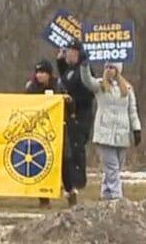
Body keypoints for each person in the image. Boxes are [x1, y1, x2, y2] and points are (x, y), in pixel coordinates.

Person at [79, 61, 141, 201]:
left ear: (118, 70)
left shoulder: (127, 89)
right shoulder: (100, 86)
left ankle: (106, 194)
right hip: (104, 134)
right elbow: (87, 81)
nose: (109, 70)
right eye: (107, 67)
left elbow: (132, 111)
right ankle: (116, 197)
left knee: (116, 168)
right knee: (112, 167)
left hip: (122, 134)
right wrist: (84, 66)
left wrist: (136, 129)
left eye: (112, 67)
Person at [24, 58, 75, 208]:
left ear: (49, 74)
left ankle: (70, 192)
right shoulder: (31, 88)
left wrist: (68, 101)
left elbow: (71, 109)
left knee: (64, 162)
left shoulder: (59, 85)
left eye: (43, 72)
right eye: (37, 72)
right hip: (39, 131)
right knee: (41, 162)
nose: (39, 75)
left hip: (58, 128)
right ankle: (43, 198)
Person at [56, 40, 96, 206]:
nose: (68, 54)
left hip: (80, 116)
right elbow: (67, 80)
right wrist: (60, 62)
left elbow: (87, 92)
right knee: (66, 152)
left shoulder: (85, 69)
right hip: (67, 116)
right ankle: (69, 186)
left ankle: (77, 183)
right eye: (67, 51)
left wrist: (74, 101)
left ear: (78, 53)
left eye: (71, 52)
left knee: (75, 151)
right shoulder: (71, 70)